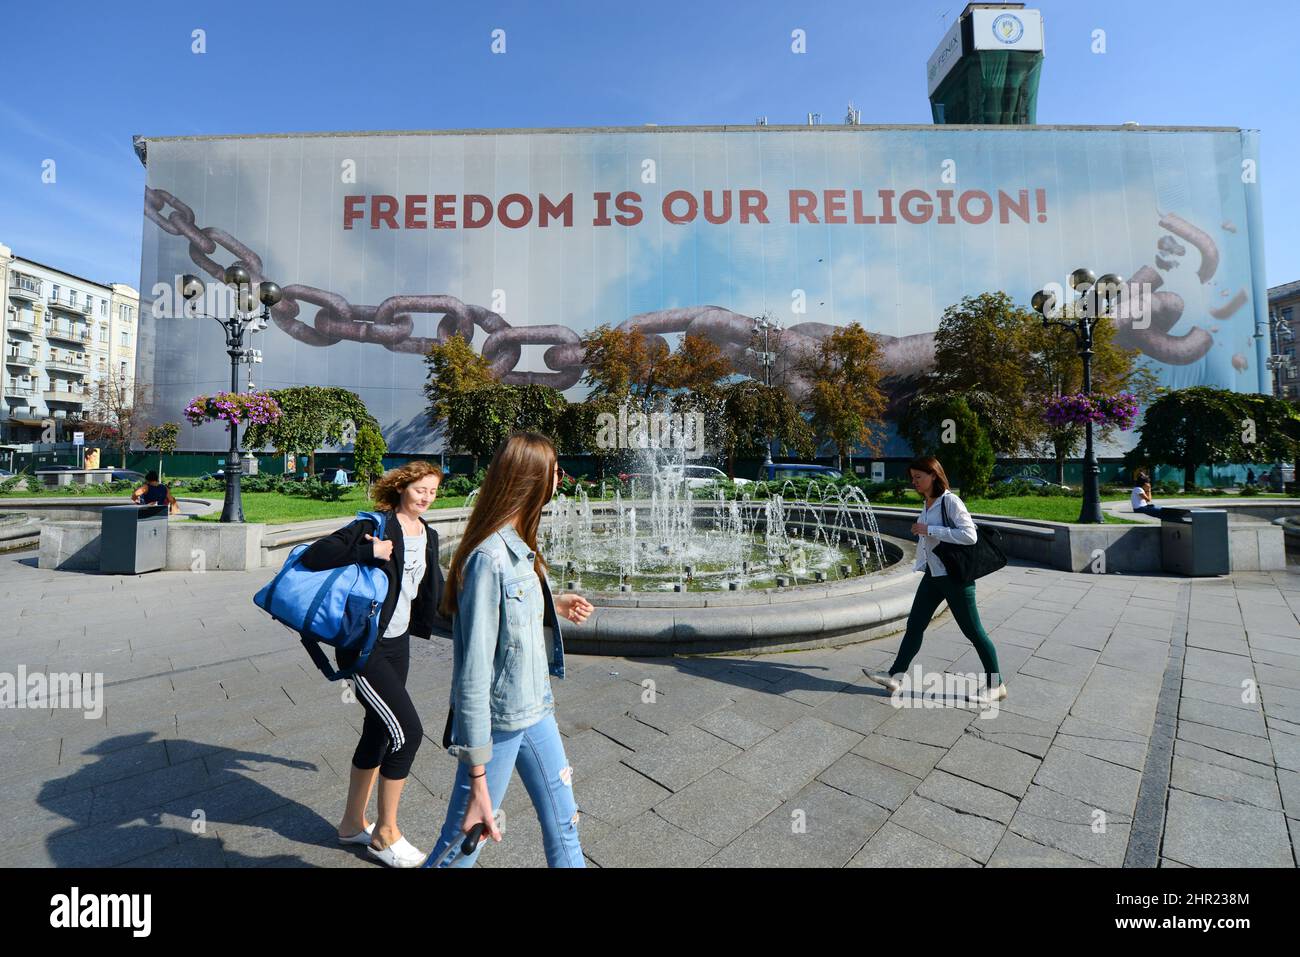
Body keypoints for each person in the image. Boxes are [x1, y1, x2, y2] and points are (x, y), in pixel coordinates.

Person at [424, 432, 594, 868]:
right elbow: (473, 676)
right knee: (462, 843)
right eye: (555, 470)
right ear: (533, 478)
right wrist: (478, 776)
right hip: (498, 724)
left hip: (537, 708)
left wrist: (552, 602)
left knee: (565, 824)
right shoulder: (489, 558)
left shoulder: (518, 546)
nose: (561, 478)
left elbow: (511, 612)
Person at [298, 460, 448, 867]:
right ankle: (385, 833)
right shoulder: (376, 525)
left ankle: (350, 825)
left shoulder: (428, 534)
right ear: (402, 487)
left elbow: (432, 590)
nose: (427, 497)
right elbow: (315, 555)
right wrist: (370, 550)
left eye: (433, 491)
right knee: (409, 732)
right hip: (365, 648)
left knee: (379, 731)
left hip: (398, 644)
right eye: (420, 489)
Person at [865, 456, 1006, 704]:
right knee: (915, 626)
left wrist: (929, 530)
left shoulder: (949, 501)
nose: (914, 482)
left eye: (918, 477)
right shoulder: (928, 503)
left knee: (974, 632)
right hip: (932, 575)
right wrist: (922, 531)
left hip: (955, 579)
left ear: (934, 476)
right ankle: (894, 676)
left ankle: (997, 685)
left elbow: (969, 535)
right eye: (912, 478)